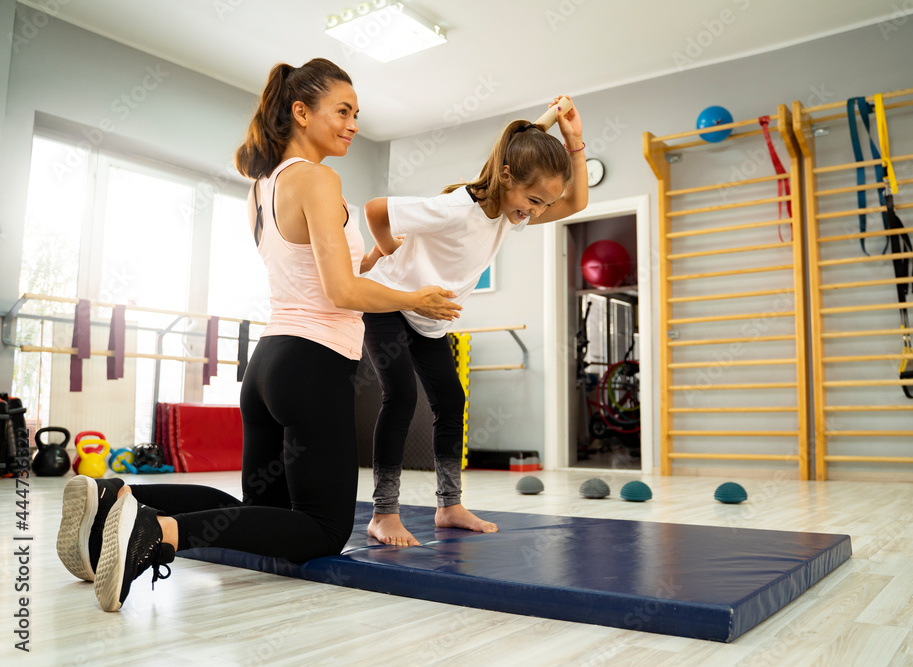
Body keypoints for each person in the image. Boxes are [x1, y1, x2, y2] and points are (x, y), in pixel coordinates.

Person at [55, 58, 461, 612]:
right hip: (312, 368)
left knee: (263, 514)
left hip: (270, 365)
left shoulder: (262, 186)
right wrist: (416, 299)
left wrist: (381, 256)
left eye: (357, 114)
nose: (353, 124)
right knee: (320, 530)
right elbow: (341, 294)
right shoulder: (318, 178)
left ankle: (117, 499)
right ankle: (155, 534)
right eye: (343, 111)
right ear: (301, 111)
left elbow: (322, 277)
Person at [362, 97, 587, 546]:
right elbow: (375, 209)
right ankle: (384, 513)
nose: (537, 212)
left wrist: (574, 143)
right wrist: (385, 252)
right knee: (402, 396)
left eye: (544, 204)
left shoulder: (508, 213)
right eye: (533, 200)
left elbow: (576, 203)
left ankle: (449, 506)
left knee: (451, 400)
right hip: (388, 302)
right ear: (506, 176)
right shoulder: (455, 208)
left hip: (430, 319)